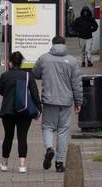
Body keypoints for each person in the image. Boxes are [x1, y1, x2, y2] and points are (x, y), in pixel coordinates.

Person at [32, 35, 83, 171]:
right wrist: (78, 102)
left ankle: (49, 148)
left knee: (48, 127)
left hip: (49, 100)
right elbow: (76, 84)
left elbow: (35, 74)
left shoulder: (44, 58)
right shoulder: (72, 61)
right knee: (63, 131)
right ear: (64, 44)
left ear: (52, 44)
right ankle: (60, 163)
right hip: (66, 101)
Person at [0, 50, 40, 173]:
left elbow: (1, 91)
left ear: (10, 62)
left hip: (7, 111)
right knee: (22, 137)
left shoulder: (4, 76)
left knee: (8, 137)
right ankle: (22, 164)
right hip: (24, 110)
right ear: (21, 63)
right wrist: (38, 110)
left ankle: (4, 163)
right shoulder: (28, 76)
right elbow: (35, 94)